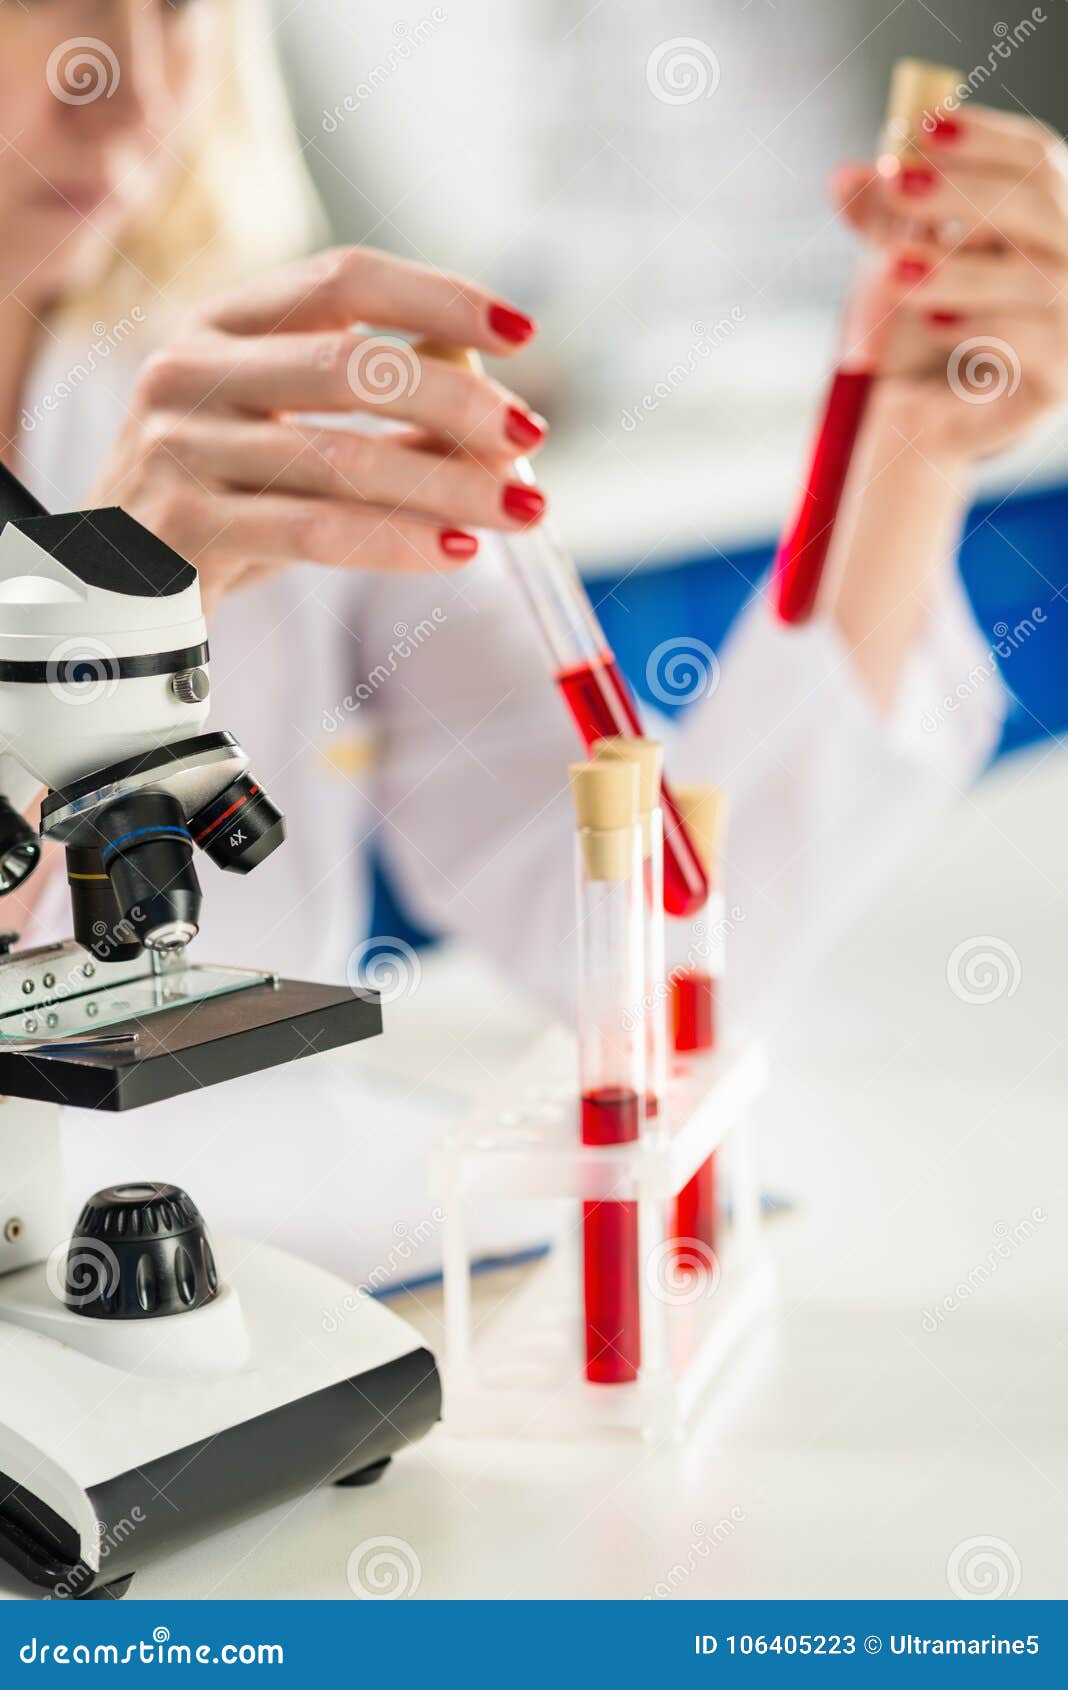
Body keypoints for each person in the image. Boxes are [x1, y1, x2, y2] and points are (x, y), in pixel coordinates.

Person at [1, 0, 1063, 1273]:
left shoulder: (229, 425)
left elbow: (654, 948)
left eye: (178, 6)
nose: (126, 89)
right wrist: (100, 644)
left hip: (274, 1311)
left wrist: (908, 446)